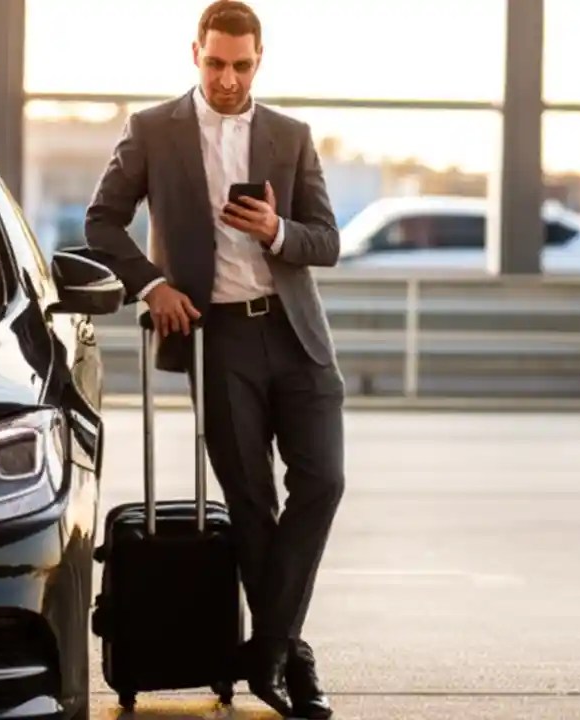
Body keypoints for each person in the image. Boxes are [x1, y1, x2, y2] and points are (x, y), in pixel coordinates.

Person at [83, 2, 345, 717]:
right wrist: (154, 283)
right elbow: (101, 221)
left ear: (260, 60)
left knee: (323, 481)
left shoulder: (290, 136)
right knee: (252, 504)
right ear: (193, 53)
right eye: (215, 62)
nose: (228, 77)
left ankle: (273, 649)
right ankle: (288, 660)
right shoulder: (151, 131)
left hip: (296, 337)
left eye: (242, 64)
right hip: (218, 338)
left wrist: (278, 229)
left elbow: (327, 240)